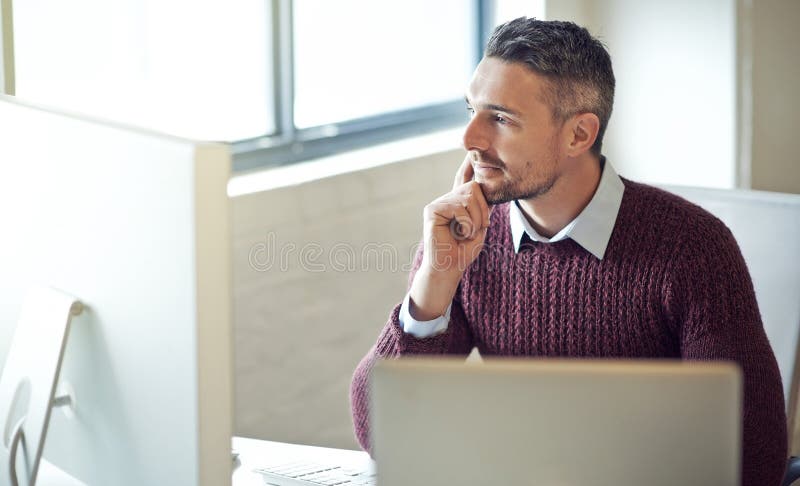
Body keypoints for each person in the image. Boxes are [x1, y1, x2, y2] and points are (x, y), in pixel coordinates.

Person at [350, 17, 787, 486]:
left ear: (579, 135)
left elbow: (753, 459)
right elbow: (383, 432)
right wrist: (435, 279)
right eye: (471, 111)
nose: (470, 138)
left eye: (500, 118)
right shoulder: (463, 240)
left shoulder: (693, 249)